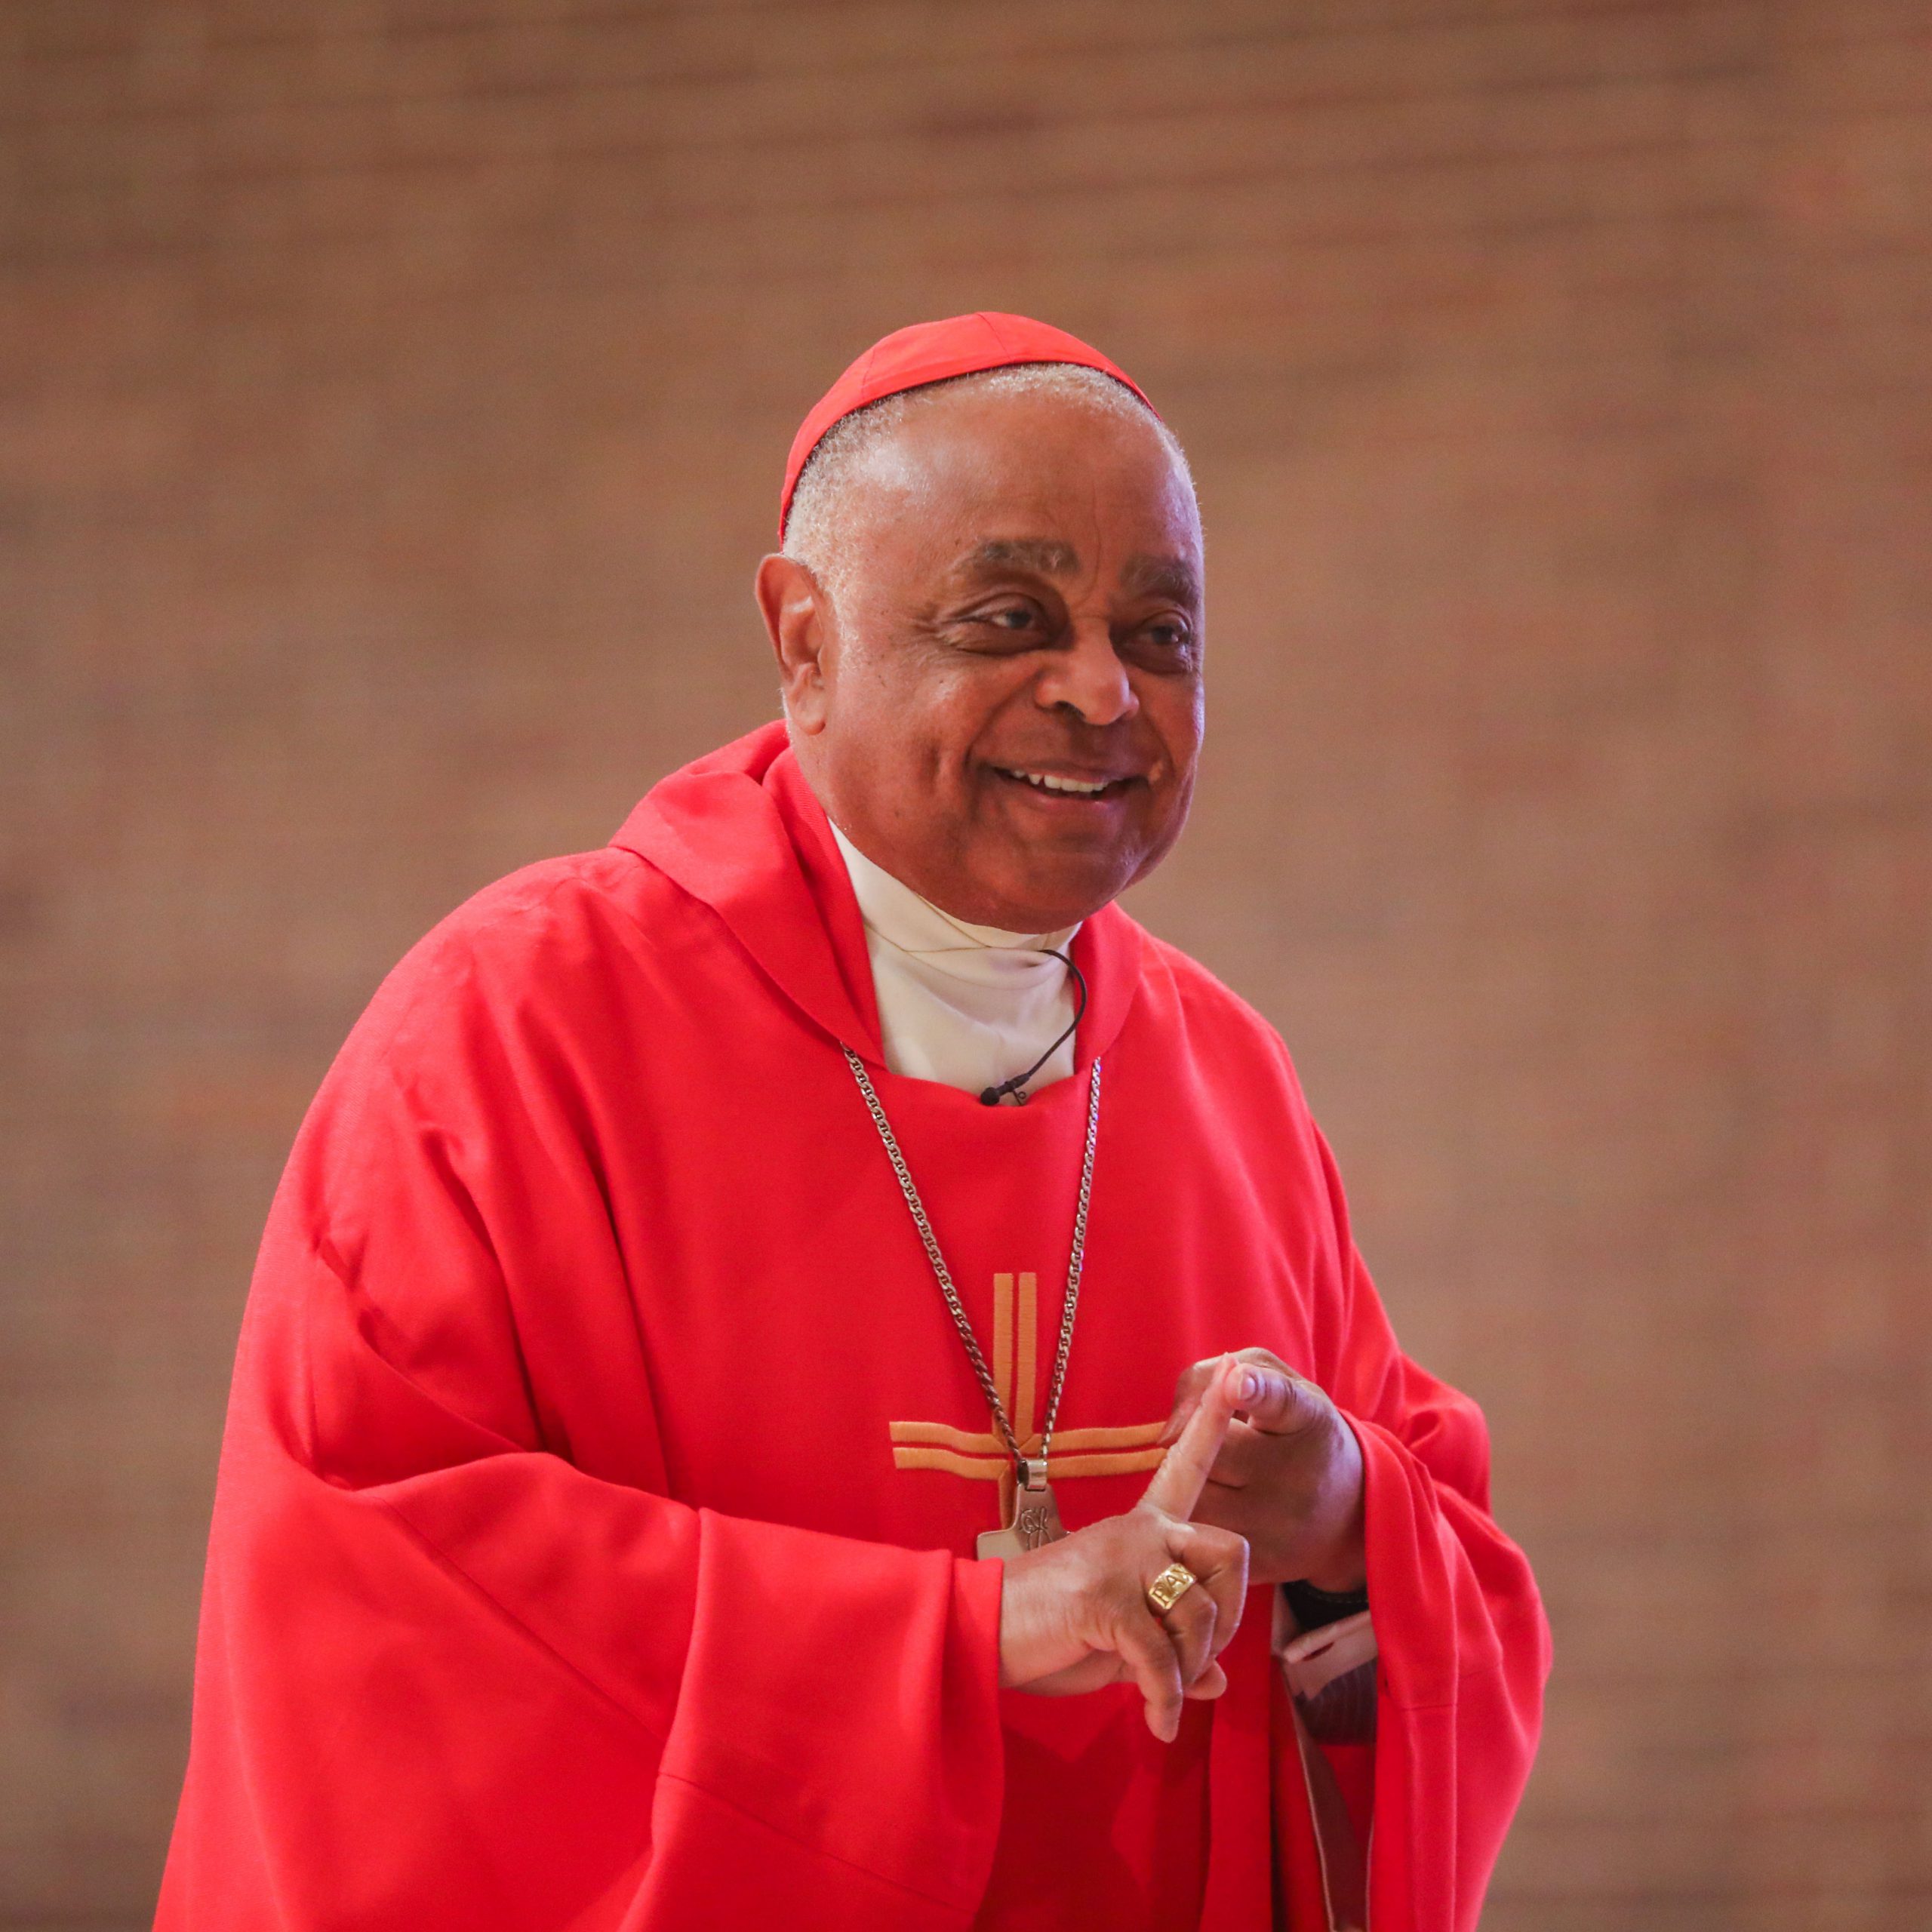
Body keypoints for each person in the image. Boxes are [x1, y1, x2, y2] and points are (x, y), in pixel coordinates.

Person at [155, 312, 1549, 1932]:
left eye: (1159, 632)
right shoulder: (516, 1031)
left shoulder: (1219, 1073)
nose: (1101, 689)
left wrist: (1336, 1521)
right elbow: (381, 1594)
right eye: (1009, 616)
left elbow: (1435, 1585)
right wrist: (963, 1638)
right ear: (802, 640)